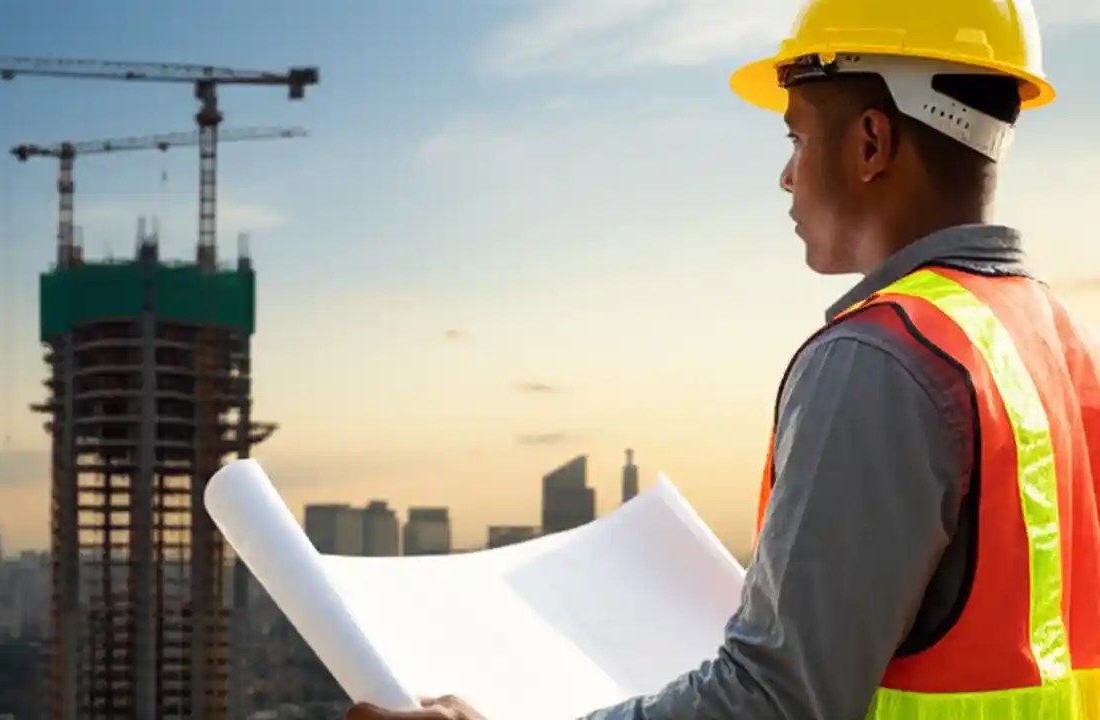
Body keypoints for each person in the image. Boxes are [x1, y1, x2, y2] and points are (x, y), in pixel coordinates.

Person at [347, 0, 1100, 717]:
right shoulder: (1051, 343)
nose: (786, 176)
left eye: (796, 138)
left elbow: (774, 702)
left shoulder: (884, 359)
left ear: (871, 143)